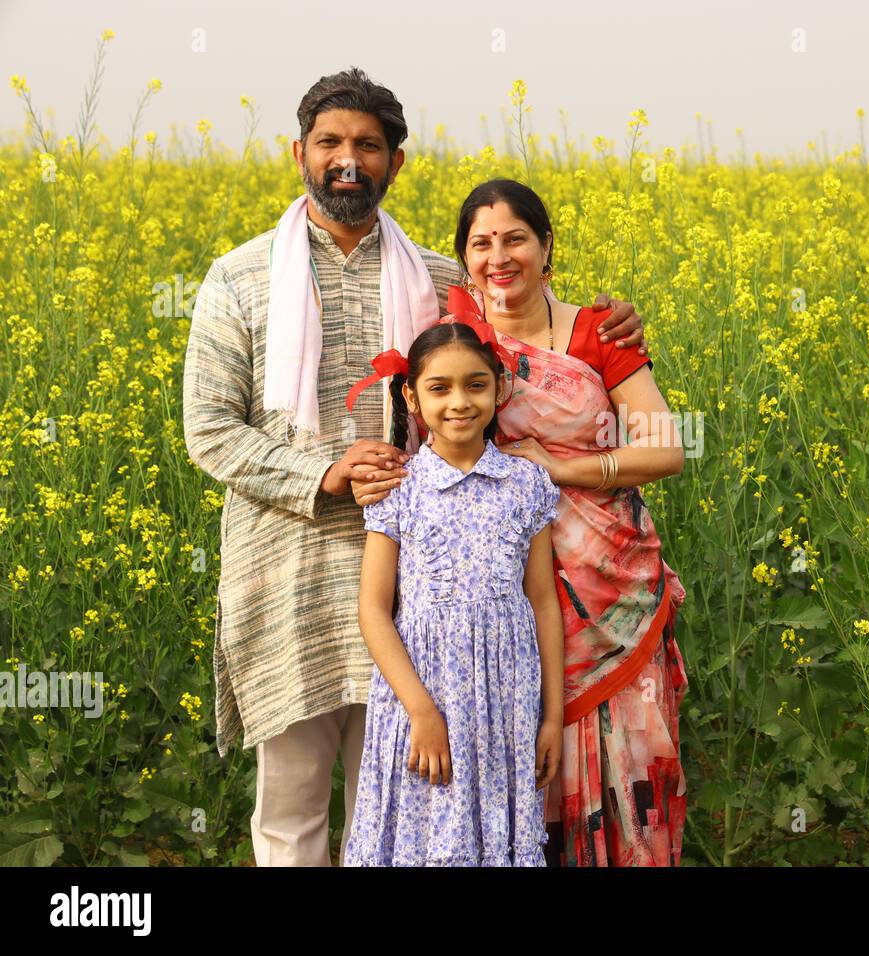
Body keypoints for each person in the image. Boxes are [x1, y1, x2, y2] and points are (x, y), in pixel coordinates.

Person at [182, 68, 647, 867]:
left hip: (425, 585)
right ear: (299, 153)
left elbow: (522, 319)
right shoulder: (240, 277)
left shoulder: (441, 280)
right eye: (329, 143)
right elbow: (208, 430)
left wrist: (610, 322)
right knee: (291, 804)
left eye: (367, 145)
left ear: (396, 162)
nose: (347, 160)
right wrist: (327, 473)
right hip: (286, 568)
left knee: (402, 803)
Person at [353, 179, 689, 866]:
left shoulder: (597, 332)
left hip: (608, 594)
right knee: (512, 777)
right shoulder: (452, 345)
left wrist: (557, 468)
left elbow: (664, 447)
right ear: (463, 261)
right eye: (481, 244)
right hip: (490, 616)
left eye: (516, 239)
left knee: (624, 766)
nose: (499, 257)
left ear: (546, 250)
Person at [343, 319, 562, 866]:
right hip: (423, 697)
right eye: (439, 388)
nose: (459, 402)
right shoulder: (398, 488)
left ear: (499, 389)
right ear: (412, 398)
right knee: (422, 837)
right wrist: (422, 712)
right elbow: (373, 610)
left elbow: (542, 601)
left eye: (476, 385)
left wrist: (552, 716)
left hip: (506, 702)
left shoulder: (528, 483)